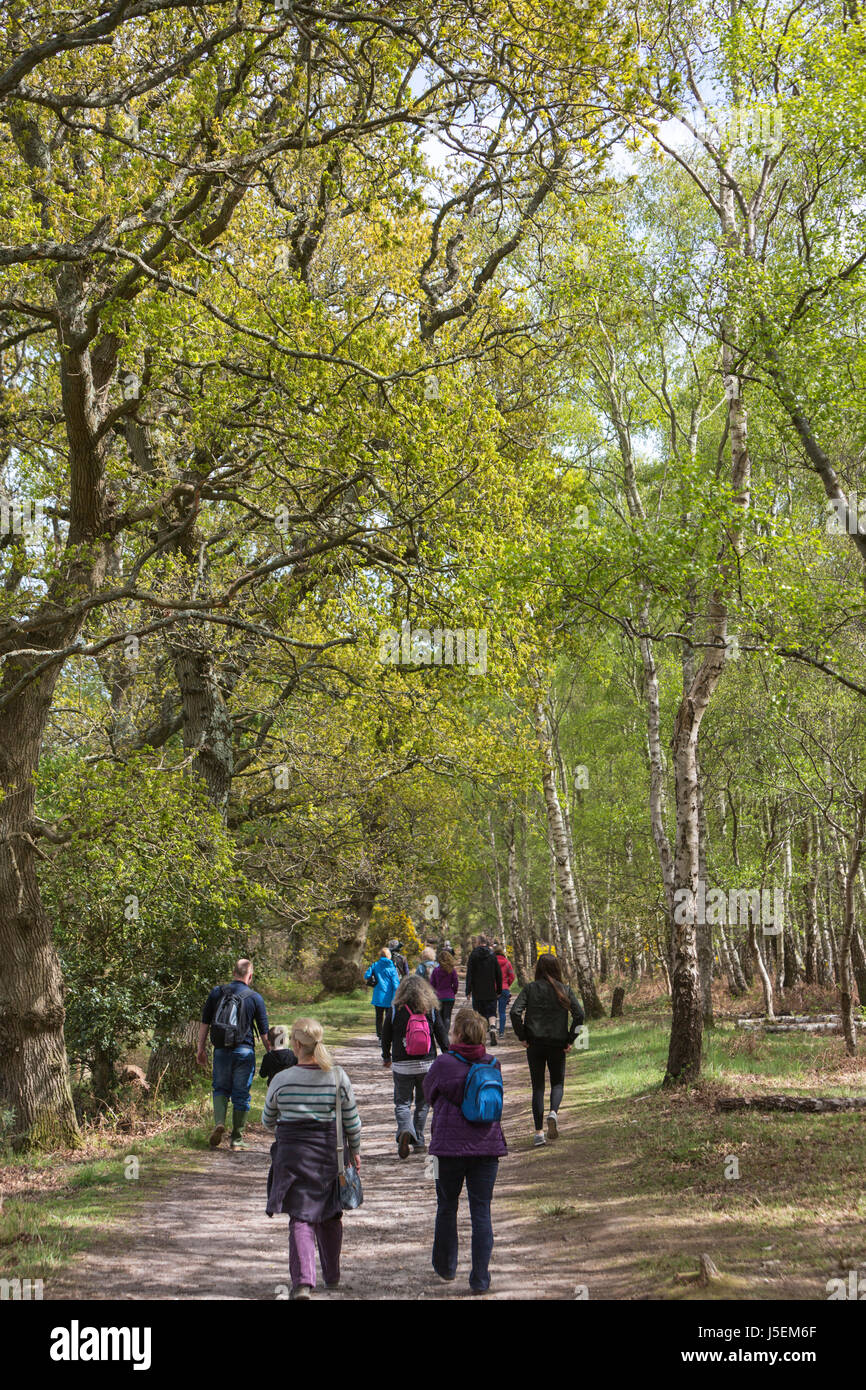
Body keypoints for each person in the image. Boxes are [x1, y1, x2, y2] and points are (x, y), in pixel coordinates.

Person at [262, 1017, 361, 1301]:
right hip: (329, 1153)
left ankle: (304, 1282)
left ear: (295, 1044)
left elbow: (268, 1120)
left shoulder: (282, 1079)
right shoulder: (337, 1076)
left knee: (301, 1217)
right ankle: (332, 1275)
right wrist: (355, 1150)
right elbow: (352, 1121)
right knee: (331, 1213)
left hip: (292, 1155)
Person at [422, 1007, 506, 1295]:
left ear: (457, 1033)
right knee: (481, 1210)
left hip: (448, 1150)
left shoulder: (443, 1063)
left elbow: (427, 1094)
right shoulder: (492, 1063)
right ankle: (480, 1279)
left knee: (447, 1206)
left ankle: (446, 1267)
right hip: (487, 1147)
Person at [510, 953, 584, 1146]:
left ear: (538, 969)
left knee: (538, 1087)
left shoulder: (530, 988)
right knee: (557, 1083)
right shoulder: (565, 990)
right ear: (557, 969)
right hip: (557, 1044)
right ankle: (553, 1112)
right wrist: (570, 1039)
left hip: (534, 1044)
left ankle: (538, 1133)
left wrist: (523, 1036)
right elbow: (580, 1015)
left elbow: (514, 1012)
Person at [197, 958, 270, 1151]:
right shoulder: (255, 998)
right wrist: (273, 1056)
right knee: (241, 1094)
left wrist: (200, 1049)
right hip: (244, 1052)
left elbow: (205, 1022)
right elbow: (264, 1033)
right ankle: (236, 1140)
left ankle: (219, 1122)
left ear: (234, 973)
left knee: (220, 1088)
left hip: (221, 1050)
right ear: (250, 976)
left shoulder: (217, 992)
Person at [382, 974, 450, 1159]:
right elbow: (441, 1033)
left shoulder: (395, 1009)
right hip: (427, 1065)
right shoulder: (430, 1009)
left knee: (402, 1103)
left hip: (402, 1065)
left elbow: (385, 1033)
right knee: (423, 1103)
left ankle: (405, 1129)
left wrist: (386, 1056)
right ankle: (419, 1140)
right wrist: (448, 1054)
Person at [464, 934, 502, 1048]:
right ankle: (493, 1027)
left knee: (479, 1014)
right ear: (486, 942)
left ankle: (481, 1037)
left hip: (477, 990)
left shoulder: (473, 955)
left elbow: (469, 973)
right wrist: (499, 989)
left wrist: (468, 990)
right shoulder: (492, 955)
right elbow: (498, 974)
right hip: (490, 989)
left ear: (478, 942)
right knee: (491, 1012)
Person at [364, 947, 401, 1038]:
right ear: (389, 956)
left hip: (378, 996)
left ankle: (380, 1037)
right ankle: (388, 1036)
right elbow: (396, 984)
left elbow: (366, 975)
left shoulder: (375, 965)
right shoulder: (392, 968)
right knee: (389, 1018)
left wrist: (373, 977)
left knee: (379, 1018)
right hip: (390, 997)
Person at [492, 943, 516, 1039]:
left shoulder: (491, 962)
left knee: (492, 1012)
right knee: (502, 1012)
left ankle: (492, 1028)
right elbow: (512, 976)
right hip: (504, 989)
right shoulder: (507, 963)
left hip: (492, 990)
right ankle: (501, 1032)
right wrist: (507, 984)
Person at [430, 950, 459, 1028]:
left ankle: (442, 1035)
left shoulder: (435, 971)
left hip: (438, 997)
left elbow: (432, 984)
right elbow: (456, 983)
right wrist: (453, 992)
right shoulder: (452, 970)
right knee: (447, 1017)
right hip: (449, 996)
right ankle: (445, 1034)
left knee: (439, 1018)